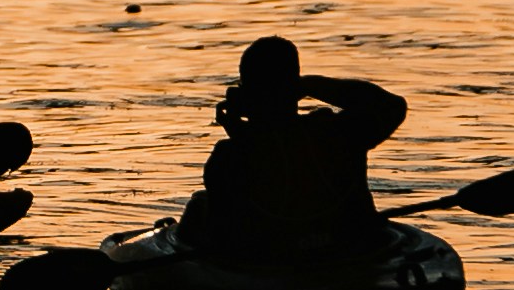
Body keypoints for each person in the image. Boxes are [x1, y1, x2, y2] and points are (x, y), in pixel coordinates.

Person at [174, 33, 406, 266]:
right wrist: (307, 85)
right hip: (347, 249)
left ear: (245, 93)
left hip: (276, 263)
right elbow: (391, 106)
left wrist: (244, 135)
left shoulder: (229, 156)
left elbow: (225, 233)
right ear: (294, 90)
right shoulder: (339, 132)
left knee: (198, 205)